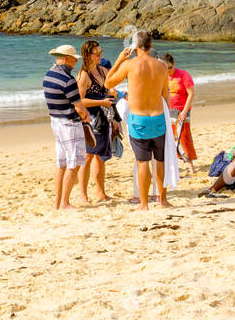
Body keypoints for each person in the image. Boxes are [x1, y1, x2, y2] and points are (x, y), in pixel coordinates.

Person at [106, 30, 171, 210]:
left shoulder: (129, 65)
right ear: (150, 46)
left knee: (143, 162)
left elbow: (107, 83)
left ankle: (144, 204)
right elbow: (165, 95)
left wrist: (119, 59)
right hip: (158, 117)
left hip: (139, 119)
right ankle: (162, 200)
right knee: (159, 160)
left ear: (135, 47)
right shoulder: (162, 67)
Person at [44, 44, 95, 210]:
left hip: (55, 122)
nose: (75, 62)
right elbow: (79, 107)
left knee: (62, 164)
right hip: (69, 124)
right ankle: (65, 203)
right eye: (74, 59)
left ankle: (57, 203)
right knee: (74, 164)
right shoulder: (68, 80)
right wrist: (86, 116)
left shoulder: (49, 75)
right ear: (67, 59)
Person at [76, 39, 120, 203]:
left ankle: (101, 193)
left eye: (101, 52)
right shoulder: (83, 76)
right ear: (88, 55)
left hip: (104, 118)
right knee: (87, 157)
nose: (101, 56)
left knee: (101, 157)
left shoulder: (102, 71)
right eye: (97, 54)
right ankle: (83, 194)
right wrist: (101, 102)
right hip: (90, 120)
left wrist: (114, 118)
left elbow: (110, 93)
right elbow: (79, 101)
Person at [163, 53, 198, 172]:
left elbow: (191, 94)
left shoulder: (183, 75)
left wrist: (184, 111)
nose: (168, 70)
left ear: (174, 64)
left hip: (182, 109)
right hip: (168, 110)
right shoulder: (162, 76)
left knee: (183, 136)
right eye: (165, 68)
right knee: (169, 137)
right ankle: (173, 165)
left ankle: (190, 165)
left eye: (170, 67)